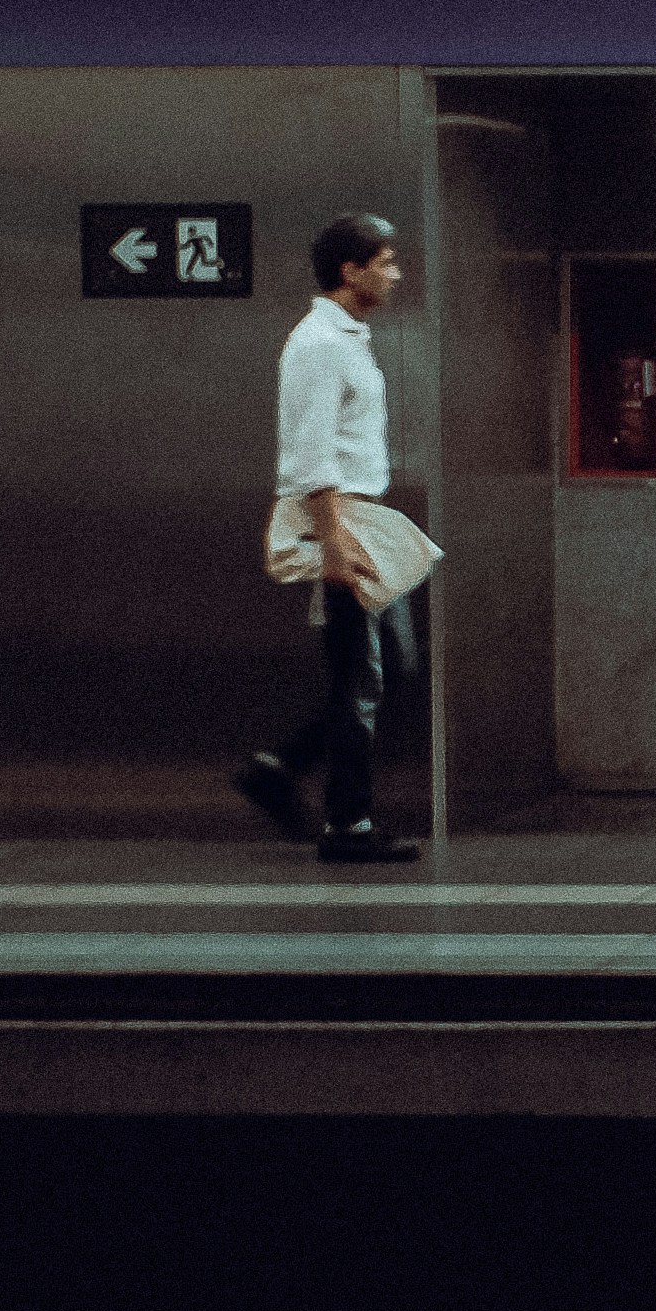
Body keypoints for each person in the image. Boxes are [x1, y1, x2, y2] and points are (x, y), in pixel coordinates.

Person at [230, 214, 421, 862]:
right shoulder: (318, 344)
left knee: (383, 670)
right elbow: (310, 455)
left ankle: (279, 767)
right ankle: (348, 823)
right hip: (341, 523)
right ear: (351, 270)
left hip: (361, 521)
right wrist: (334, 545)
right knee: (362, 674)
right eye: (387, 262)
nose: (395, 275)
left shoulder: (347, 337)